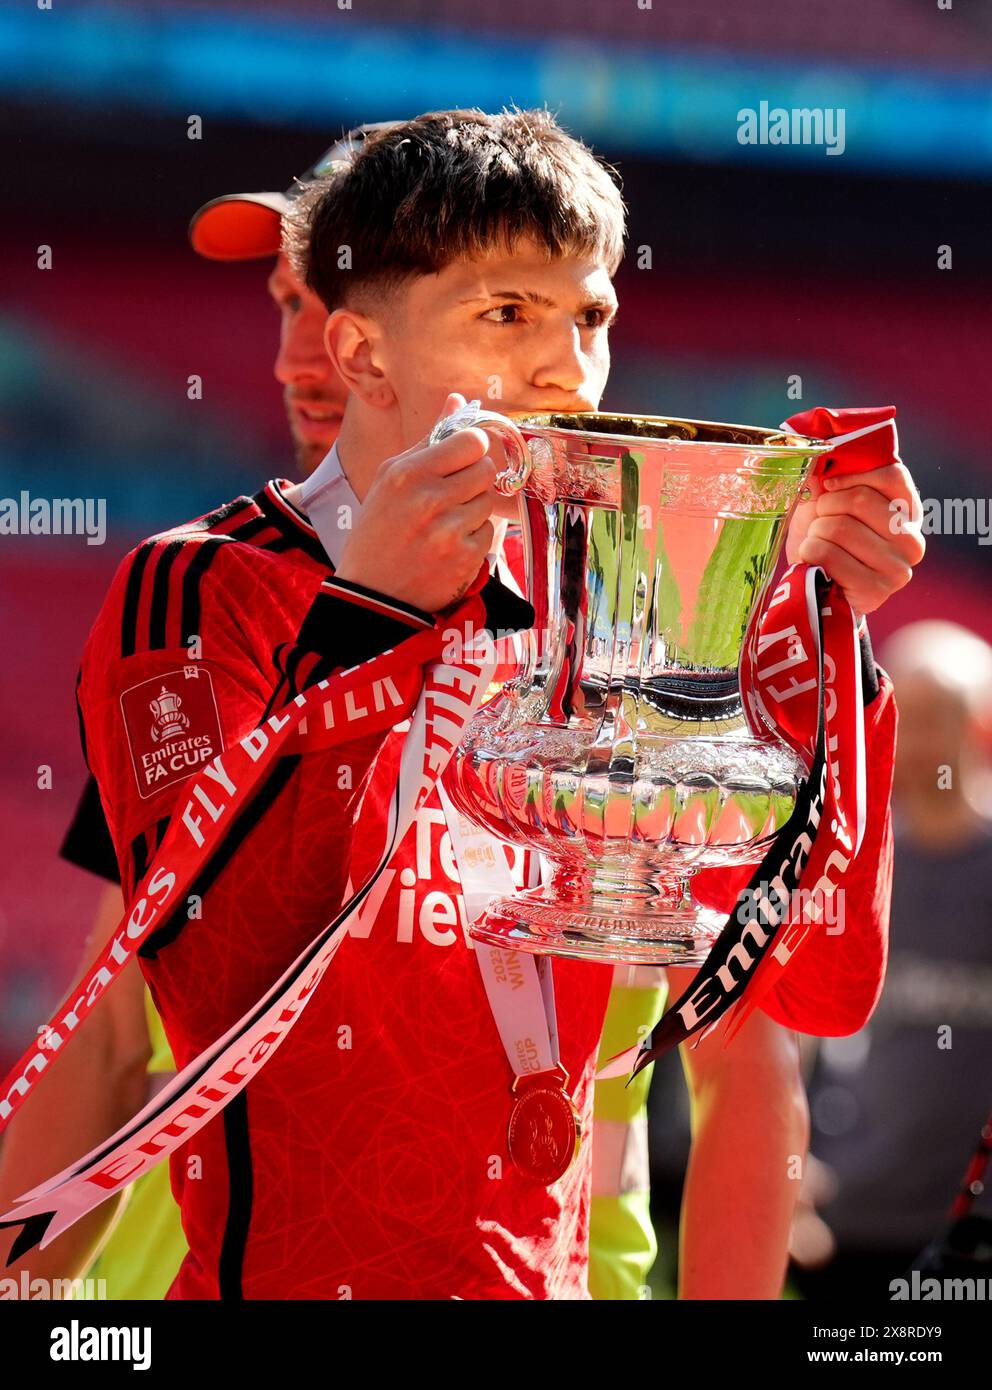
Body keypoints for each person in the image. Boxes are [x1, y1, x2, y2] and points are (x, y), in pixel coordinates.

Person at [48, 110, 923, 1299]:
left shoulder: (623, 618)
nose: (568, 366)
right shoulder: (206, 587)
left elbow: (804, 986)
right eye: (507, 315)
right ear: (365, 357)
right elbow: (225, 982)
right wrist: (378, 624)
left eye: (592, 317)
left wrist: (816, 639)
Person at [0, 130, 365, 1298]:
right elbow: (111, 1031)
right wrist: (32, 1296)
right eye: (286, 303)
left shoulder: (599, 625)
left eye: (345, 310)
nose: (297, 359)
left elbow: (748, 1074)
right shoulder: (196, 601)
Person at [791, 622, 992, 1299]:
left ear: (977, 727)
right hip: (849, 1220)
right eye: (901, 721)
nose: (913, 747)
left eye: (936, 721)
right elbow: (797, 1027)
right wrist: (791, 1166)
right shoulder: (844, 866)